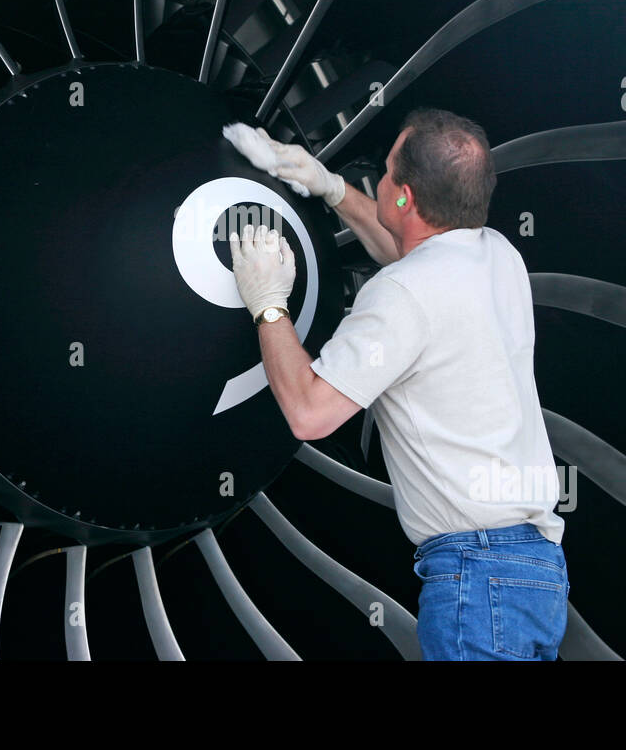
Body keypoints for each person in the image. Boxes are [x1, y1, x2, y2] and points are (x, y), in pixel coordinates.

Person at [227, 106, 568, 661]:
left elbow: (310, 414)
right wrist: (330, 187)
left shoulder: (404, 295)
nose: (379, 181)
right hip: (536, 571)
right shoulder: (498, 256)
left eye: (386, 173)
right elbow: (413, 258)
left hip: (475, 576)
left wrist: (268, 305)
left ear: (406, 197)